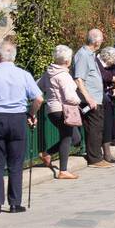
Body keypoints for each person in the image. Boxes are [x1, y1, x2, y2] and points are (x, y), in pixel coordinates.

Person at [0, 39, 43, 212]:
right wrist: (31, 114)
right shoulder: (24, 75)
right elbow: (39, 99)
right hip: (18, 119)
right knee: (16, 161)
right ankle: (14, 203)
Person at [39, 45, 83, 180]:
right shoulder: (64, 76)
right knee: (67, 137)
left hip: (52, 110)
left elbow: (38, 86)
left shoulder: (49, 72)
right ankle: (63, 170)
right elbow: (70, 96)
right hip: (63, 109)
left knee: (75, 138)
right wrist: (79, 101)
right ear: (67, 61)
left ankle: (47, 154)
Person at [72, 29, 113, 169]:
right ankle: (95, 159)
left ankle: (96, 156)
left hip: (96, 99)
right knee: (94, 128)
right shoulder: (83, 55)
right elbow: (78, 79)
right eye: (101, 38)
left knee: (97, 127)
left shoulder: (91, 55)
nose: (102, 41)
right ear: (95, 40)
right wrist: (88, 98)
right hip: (89, 100)